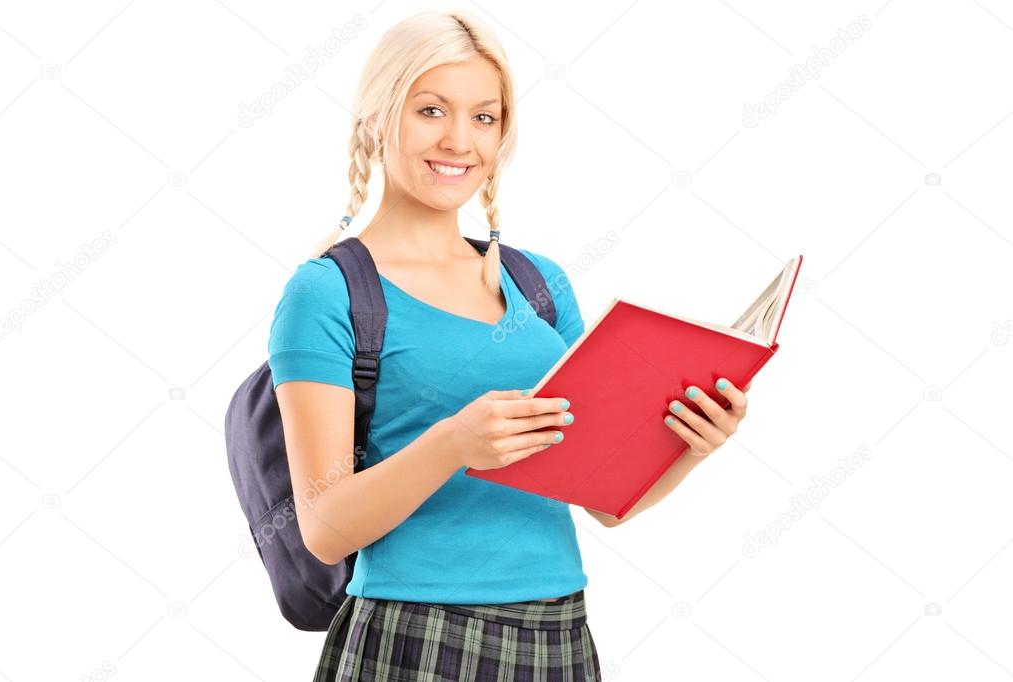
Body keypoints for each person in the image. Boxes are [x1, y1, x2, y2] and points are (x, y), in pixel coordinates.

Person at [269, 10, 750, 681]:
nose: (459, 141)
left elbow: (605, 504)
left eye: (484, 117)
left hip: (559, 630)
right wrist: (451, 445)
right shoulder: (328, 292)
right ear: (378, 119)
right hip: (414, 634)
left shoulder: (538, 285)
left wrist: (688, 447)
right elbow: (322, 527)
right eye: (430, 110)